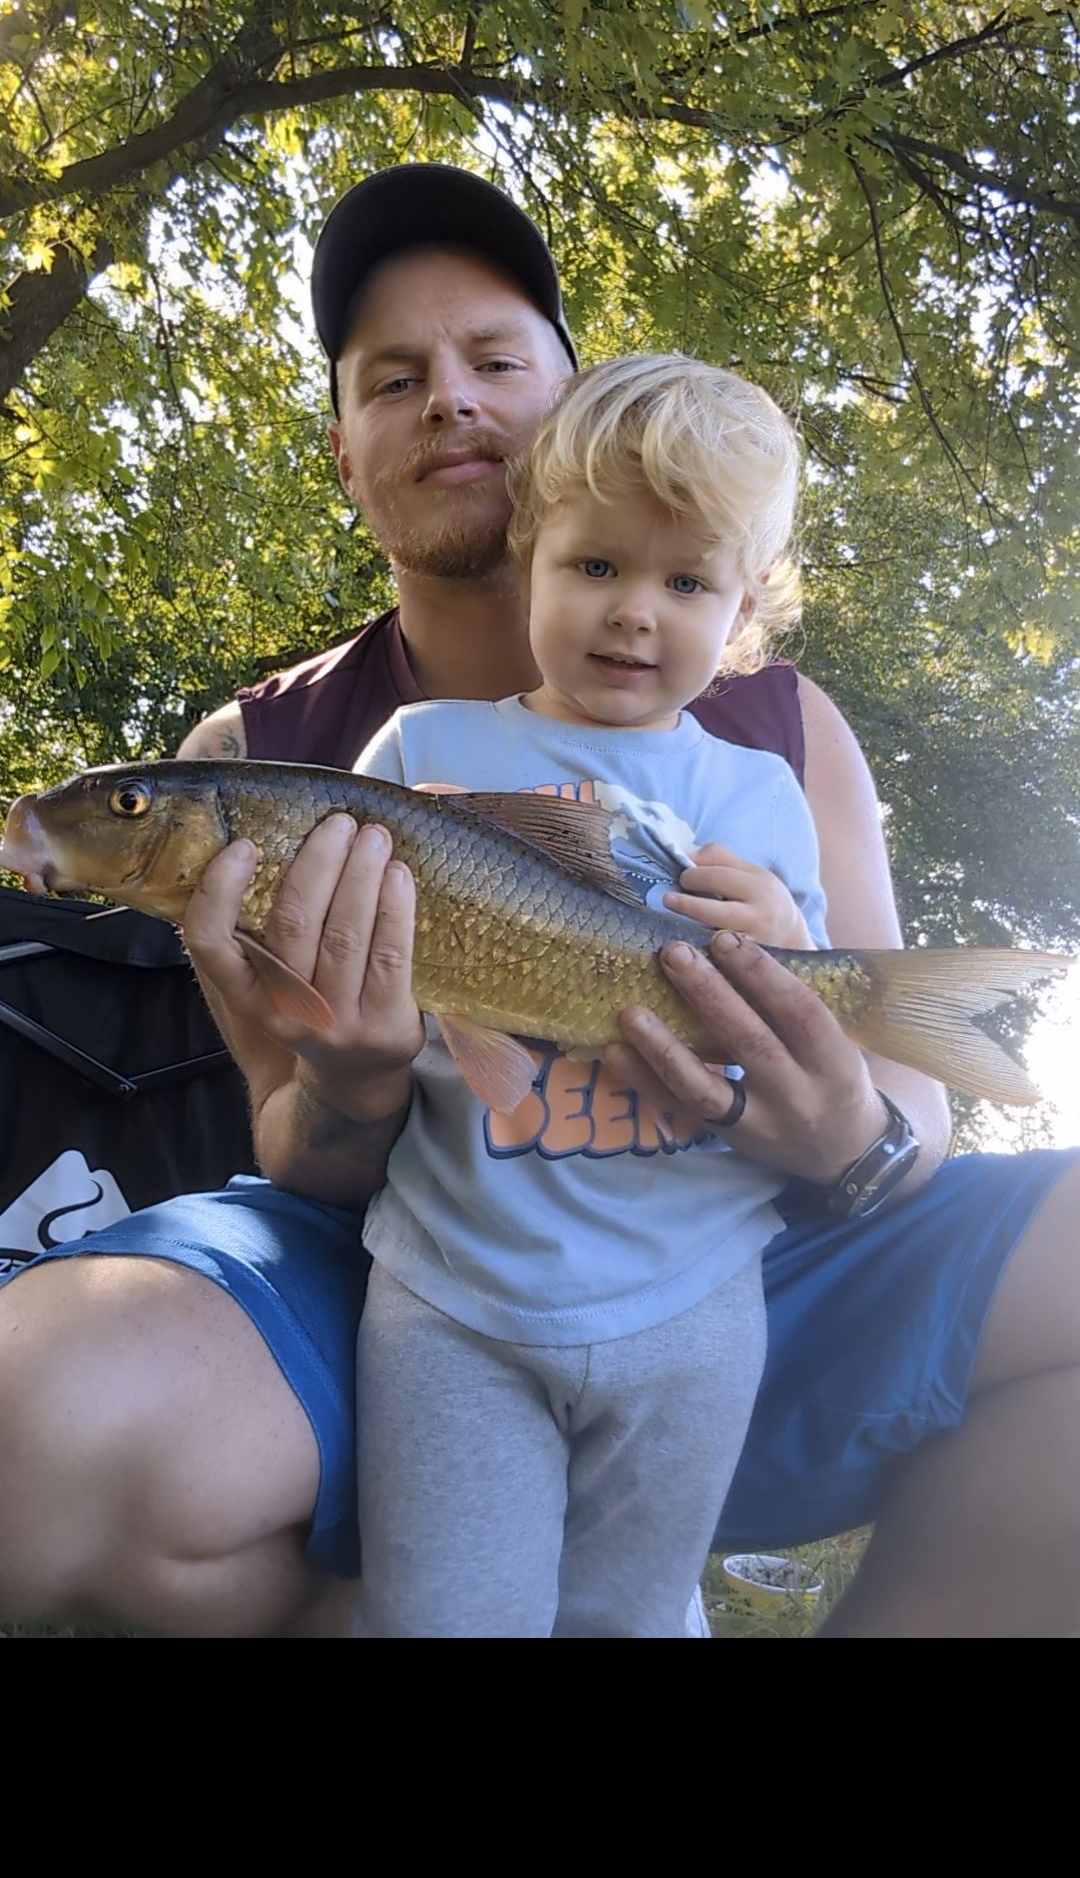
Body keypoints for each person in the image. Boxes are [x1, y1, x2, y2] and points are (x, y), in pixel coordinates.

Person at [0, 163, 1075, 1639]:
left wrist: (836, 1126)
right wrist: (353, 1085)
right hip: (427, 1281)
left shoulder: (785, 726)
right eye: (395, 377)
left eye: (495, 360)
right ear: (342, 449)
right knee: (41, 1411)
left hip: (742, 1274)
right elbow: (291, 1155)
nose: (449, 398)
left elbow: (905, 1114)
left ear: (567, 402)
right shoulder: (250, 761)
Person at [353, 351, 829, 1637]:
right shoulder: (422, 753)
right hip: (453, 1290)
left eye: (685, 583)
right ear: (529, 557)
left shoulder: (760, 795)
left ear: (742, 616)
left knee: (630, 1620)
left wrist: (788, 942)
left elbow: (806, 1035)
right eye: (597, 566)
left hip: (696, 1291)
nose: (634, 613)